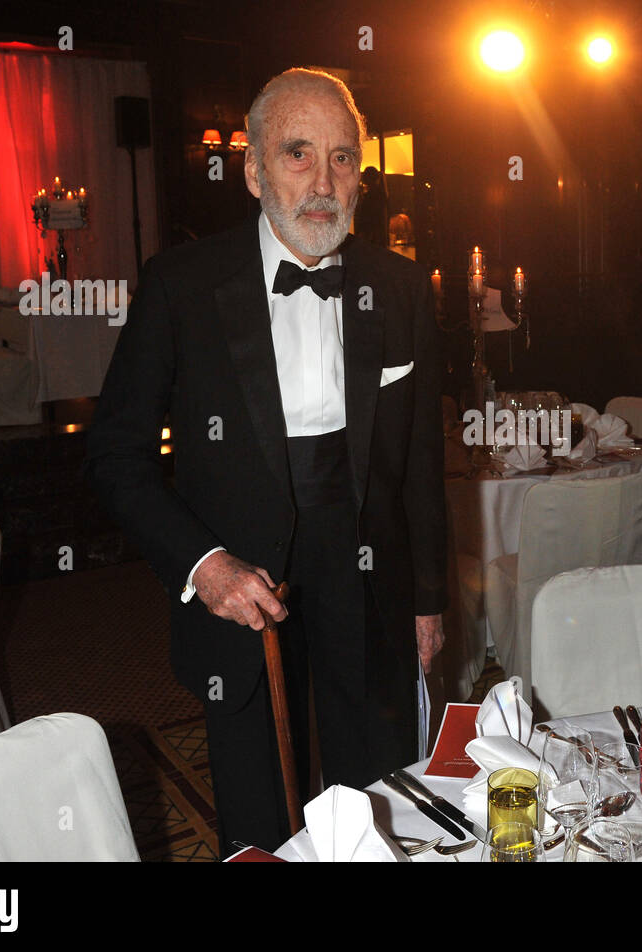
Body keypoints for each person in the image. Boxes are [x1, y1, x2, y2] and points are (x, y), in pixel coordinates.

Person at [85, 68, 446, 851]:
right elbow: (116, 456)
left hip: (369, 577)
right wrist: (203, 565)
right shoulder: (181, 286)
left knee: (380, 805)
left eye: (343, 158)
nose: (324, 183)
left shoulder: (403, 288)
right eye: (297, 154)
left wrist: (426, 601)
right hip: (241, 580)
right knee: (260, 813)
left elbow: (420, 464)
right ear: (251, 170)